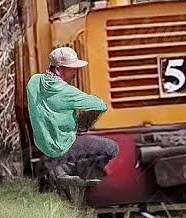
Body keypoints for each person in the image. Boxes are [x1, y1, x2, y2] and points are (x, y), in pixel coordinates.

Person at [25, 46, 119, 184]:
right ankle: (71, 170)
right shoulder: (67, 92)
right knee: (111, 147)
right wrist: (84, 123)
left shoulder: (34, 81)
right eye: (71, 69)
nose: (75, 73)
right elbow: (100, 105)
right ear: (58, 69)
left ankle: (64, 168)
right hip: (62, 146)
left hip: (41, 143)